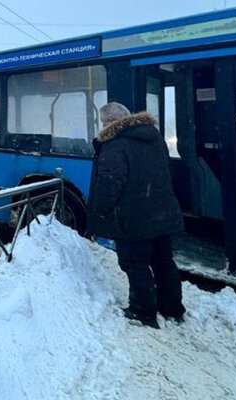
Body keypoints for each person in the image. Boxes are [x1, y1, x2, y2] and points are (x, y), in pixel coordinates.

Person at [88, 103, 186, 329]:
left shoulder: (115, 144)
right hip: (161, 212)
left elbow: (110, 183)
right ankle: (172, 308)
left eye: (103, 122)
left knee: (135, 263)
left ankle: (142, 311)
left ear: (109, 122)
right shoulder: (153, 137)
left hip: (133, 217)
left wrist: (99, 210)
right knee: (164, 262)